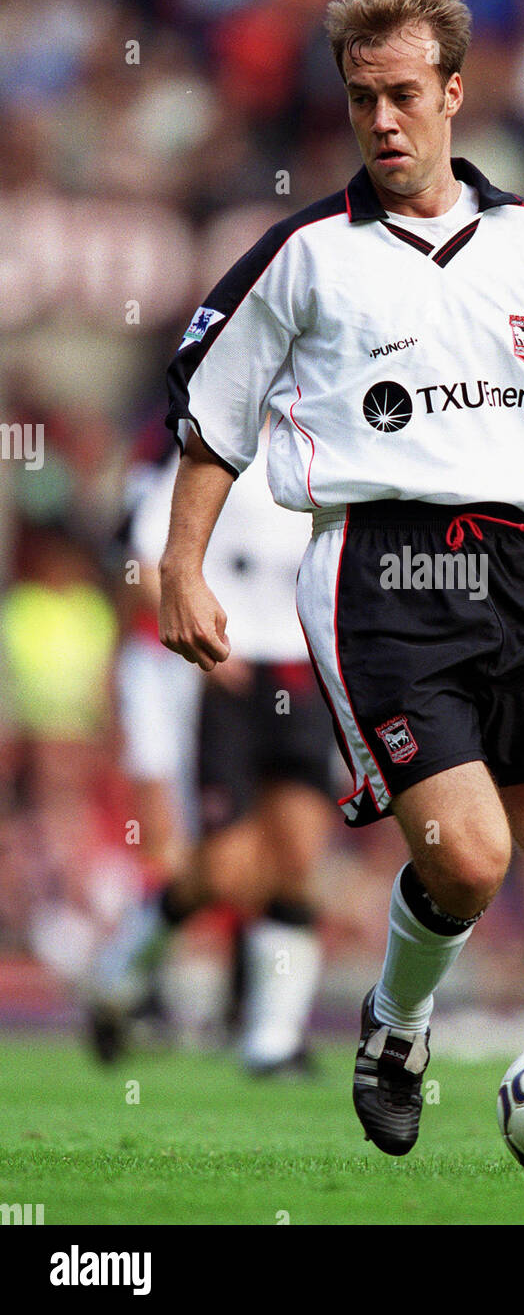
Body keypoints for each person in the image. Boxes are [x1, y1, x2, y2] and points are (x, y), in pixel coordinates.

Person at [158, 0, 524, 1170]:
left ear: (453, 95)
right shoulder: (305, 257)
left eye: (402, 95)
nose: (382, 120)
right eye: (360, 100)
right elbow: (213, 419)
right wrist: (180, 565)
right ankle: (395, 1029)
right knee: (469, 856)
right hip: (380, 569)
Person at [89, 426, 337, 1074]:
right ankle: (121, 970)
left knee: (298, 856)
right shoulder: (213, 442)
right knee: (226, 868)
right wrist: (194, 626)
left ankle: (273, 1040)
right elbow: (142, 560)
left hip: (304, 671)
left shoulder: (337, 435)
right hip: (229, 672)